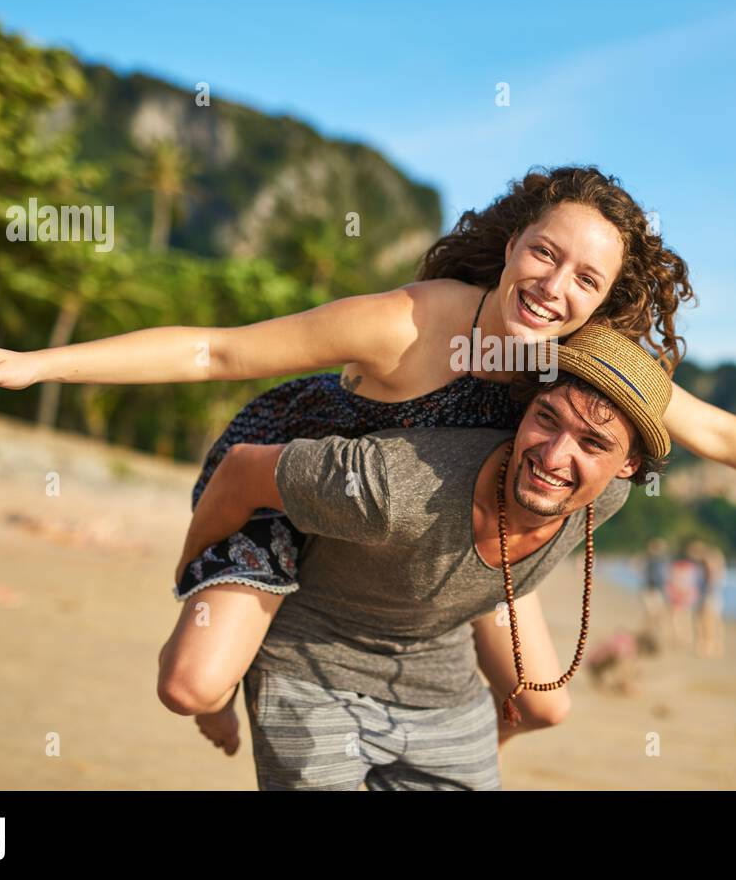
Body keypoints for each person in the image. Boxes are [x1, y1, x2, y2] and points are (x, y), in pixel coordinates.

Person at [0, 164, 736, 749]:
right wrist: (36, 362)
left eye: (586, 280)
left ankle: (415, 752)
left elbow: (714, 429)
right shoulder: (410, 324)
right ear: (512, 241)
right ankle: (251, 667)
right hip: (300, 480)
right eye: (544, 252)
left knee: (543, 702)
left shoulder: (575, 356)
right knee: (191, 684)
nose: (554, 285)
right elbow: (214, 348)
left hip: (434, 526)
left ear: (603, 302)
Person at [167, 324, 666, 788]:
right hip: (312, 664)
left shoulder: (605, 500)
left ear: (628, 465)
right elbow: (238, 471)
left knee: (545, 707)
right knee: (194, 686)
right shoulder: (389, 486)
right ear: (526, 408)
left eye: (593, 443)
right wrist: (191, 582)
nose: (555, 456)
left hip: (437, 675)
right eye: (546, 418)